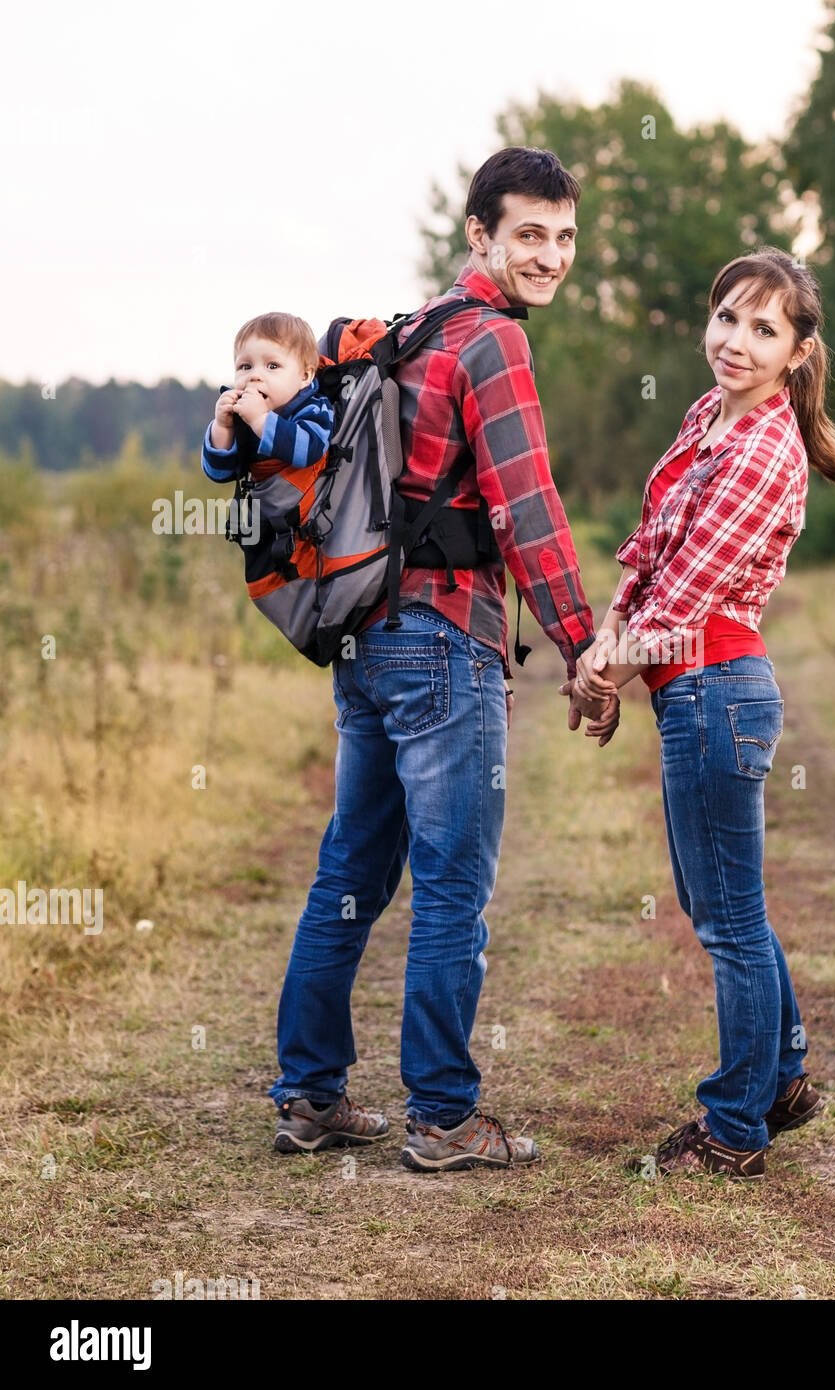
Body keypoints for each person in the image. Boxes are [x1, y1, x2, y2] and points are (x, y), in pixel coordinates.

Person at [268, 147, 618, 1171]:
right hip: (444, 643)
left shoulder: (409, 329)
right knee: (452, 883)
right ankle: (442, 1115)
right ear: (480, 234)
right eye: (527, 235)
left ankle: (309, 1095)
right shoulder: (493, 344)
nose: (548, 255)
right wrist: (579, 644)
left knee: (349, 874)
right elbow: (525, 507)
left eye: (561, 237)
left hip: (366, 638)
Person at [564, 248, 835, 1181]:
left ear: (797, 352)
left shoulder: (767, 448)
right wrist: (606, 641)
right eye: (728, 318)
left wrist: (604, 672)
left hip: (719, 690)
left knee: (727, 918)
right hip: (684, 687)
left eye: (764, 329)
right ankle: (785, 1075)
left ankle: (734, 1126)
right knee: (719, 905)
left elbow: (684, 601)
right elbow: (648, 549)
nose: (736, 341)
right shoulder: (706, 417)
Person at [202, 313, 333, 484]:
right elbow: (219, 473)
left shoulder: (314, 408)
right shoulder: (242, 413)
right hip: (262, 507)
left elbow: (309, 450)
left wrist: (260, 420)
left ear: (304, 376)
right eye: (245, 366)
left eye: (272, 366)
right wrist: (223, 427)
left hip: (310, 507)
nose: (254, 375)